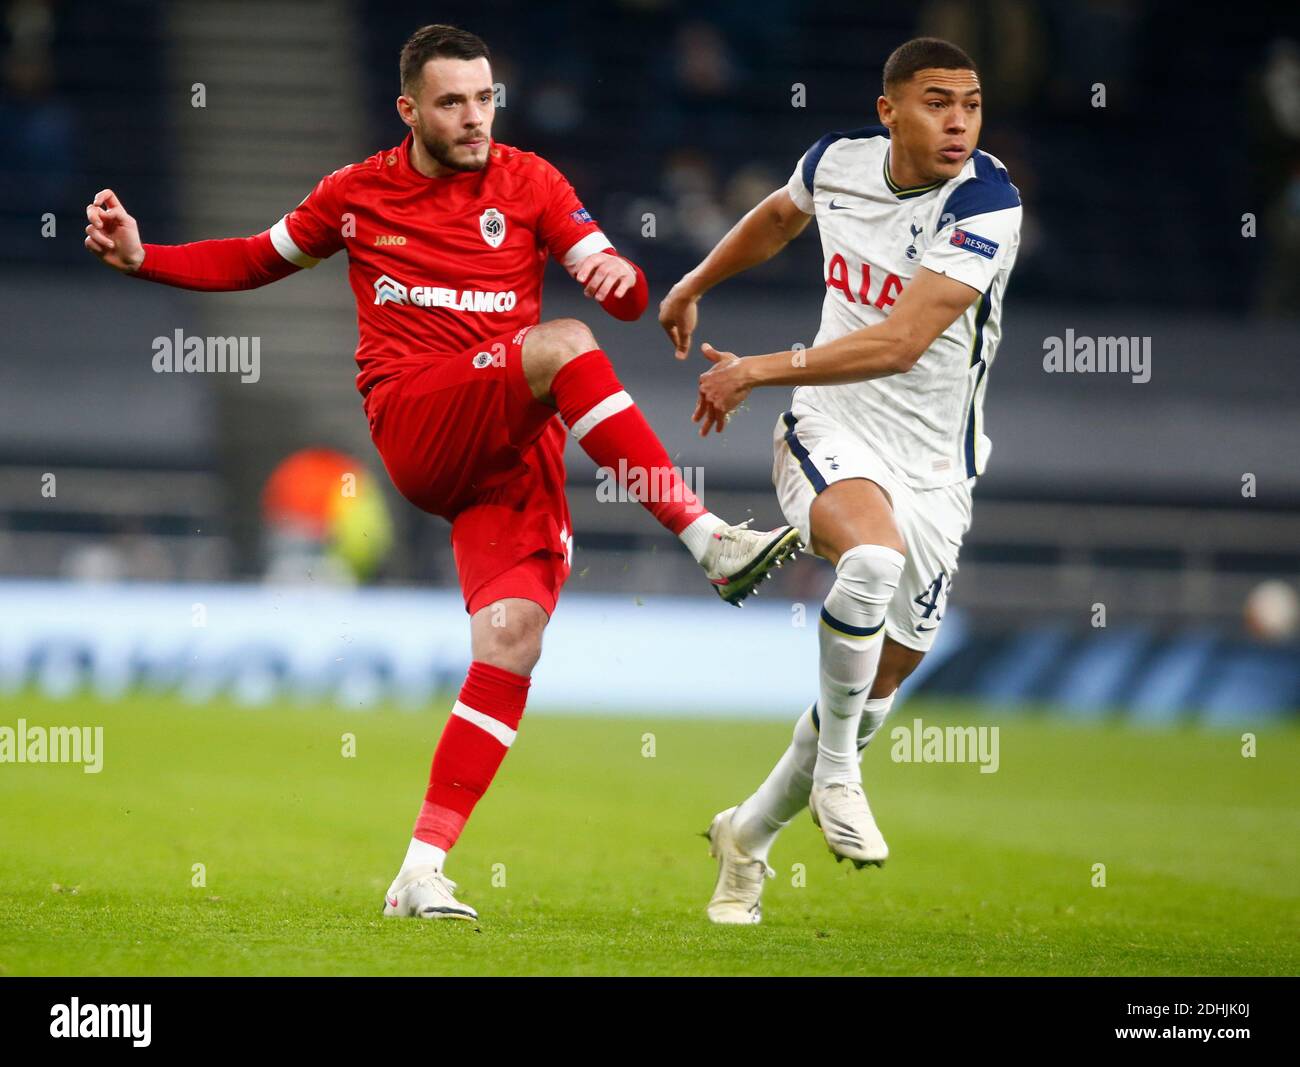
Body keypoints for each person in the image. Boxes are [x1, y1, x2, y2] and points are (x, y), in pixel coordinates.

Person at [86, 24, 799, 923]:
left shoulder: (532, 181)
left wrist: (622, 281)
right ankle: (707, 538)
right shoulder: (356, 195)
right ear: (409, 109)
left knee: (511, 642)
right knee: (563, 344)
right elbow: (257, 258)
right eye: (453, 102)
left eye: (486, 97)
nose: (474, 118)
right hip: (419, 418)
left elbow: (598, 263)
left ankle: (419, 871)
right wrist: (145, 258)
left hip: (510, 447)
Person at [659, 37, 1022, 923]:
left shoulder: (987, 201)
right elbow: (782, 216)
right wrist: (695, 279)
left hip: (938, 466)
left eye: (972, 104)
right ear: (890, 107)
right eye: (939, 102)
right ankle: (839, 779)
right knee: (871, 564)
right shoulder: (837, 160)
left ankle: (746, 834)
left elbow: (901, 343)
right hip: (833, 426)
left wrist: (754, 368)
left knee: (872, 693)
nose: (960, 121)